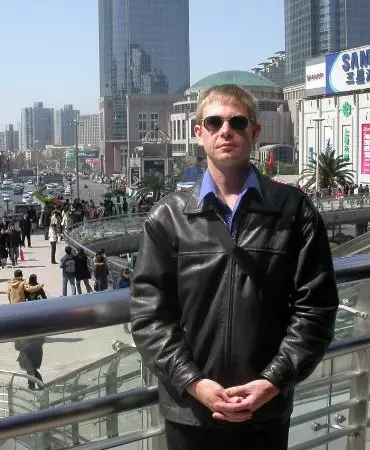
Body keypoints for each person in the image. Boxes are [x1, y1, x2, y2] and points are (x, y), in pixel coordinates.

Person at [130, 84, 339, 450]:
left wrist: (272, 382)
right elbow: (150, 317)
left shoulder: (294, 212)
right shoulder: (168, 218)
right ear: (199, 133)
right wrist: (195, 383)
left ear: (254, 132)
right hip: (190, 412)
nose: (225, 130)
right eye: (214, 122)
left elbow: (315, 309)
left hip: (266, 409)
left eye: (237, 122)